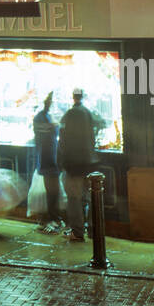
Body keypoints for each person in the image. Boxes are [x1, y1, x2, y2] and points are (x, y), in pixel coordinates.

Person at [58, 88, 98, 242]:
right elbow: (97, 127)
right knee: (90, 198)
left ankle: (77, 232)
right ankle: (94, 230)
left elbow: (62, 140)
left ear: (73, 97)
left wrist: (62, 160)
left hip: (74, 164)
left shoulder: (70, 113)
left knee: (74, 199)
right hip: (90, 162)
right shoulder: (87, 112)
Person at [31, 92, 62, 232]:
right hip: (47, 159)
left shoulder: (46, 116)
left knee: (53, 190)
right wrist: (54, 126)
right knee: (52, 190)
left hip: (50, 159)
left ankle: (53, 217)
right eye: (49, 101)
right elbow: (45, 131)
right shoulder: (41, 117)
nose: (50, 103)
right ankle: (52, 217)